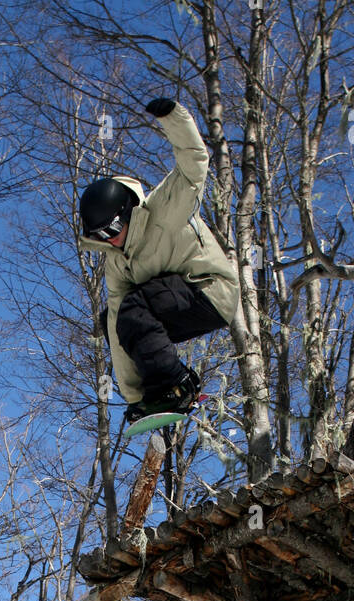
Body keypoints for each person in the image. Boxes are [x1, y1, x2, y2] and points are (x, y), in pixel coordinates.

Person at [79, 98, 240, 425]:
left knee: (133, 308)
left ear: (127, 213)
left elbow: (194, 163)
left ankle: (178, 384)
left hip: (212, 291)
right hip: (175, 304)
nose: (109, 240)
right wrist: (137, 398)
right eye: (99, 236)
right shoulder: (117, 262)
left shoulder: (163, 209)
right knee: (114, 317)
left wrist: (173, 117)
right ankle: (160, 390)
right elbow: (117, 326)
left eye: (111, 229)